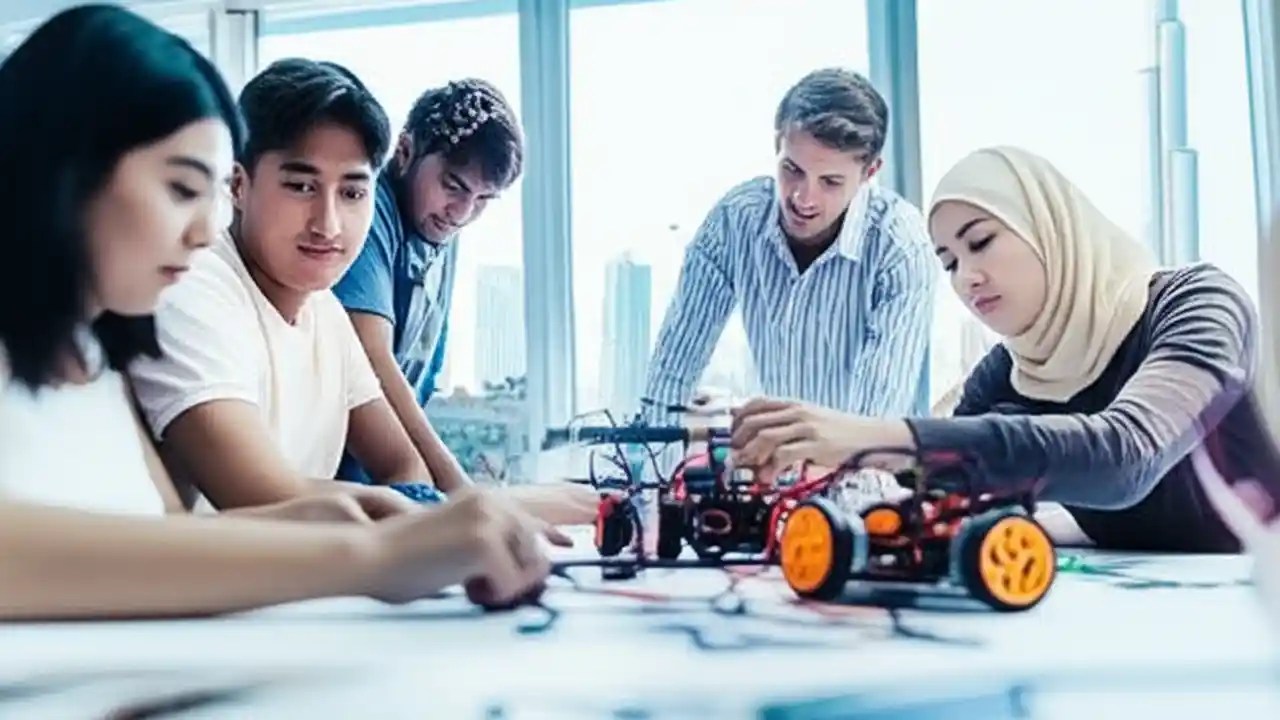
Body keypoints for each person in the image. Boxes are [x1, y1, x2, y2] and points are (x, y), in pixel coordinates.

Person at [0, 5, 553, 619]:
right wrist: (367, 552)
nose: (208, 228)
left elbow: (169, 531)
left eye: (211, 193)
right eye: (183, 189)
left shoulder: (92, 358)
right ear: (65, 168)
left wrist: (340, 516)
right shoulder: (190, 297)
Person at [730, 145, 1263, 553]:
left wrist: (866, 437)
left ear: (1048, 225)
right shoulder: (1007, 374)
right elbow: (938, 490)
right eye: (950, 262)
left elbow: (1125, 455)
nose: (968, 278)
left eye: (980, 242)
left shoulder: (1200, 306)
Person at [127, 59, 594, 523]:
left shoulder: (327, 313)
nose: (327, 224)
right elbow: (259, 494)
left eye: (352, 193)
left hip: (315, 582)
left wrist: (435, 512)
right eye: (301, 186)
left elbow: (404, 468)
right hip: (215, 586)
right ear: (237, 185)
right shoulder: (192, 284)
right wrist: (468, 510)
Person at [640, 68, 935, 423]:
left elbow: (875, 420)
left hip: (877, 468)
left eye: (830, 181)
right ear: (777, 143)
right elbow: (671, 376)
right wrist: (648, 467)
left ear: (869, 173)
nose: (803, 198)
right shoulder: (735, 221)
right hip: (774, 463)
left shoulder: (900, 246)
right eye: (792, 169)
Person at [333, 78, 523, 492]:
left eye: (484, 199)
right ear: (404, 152)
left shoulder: (441, 227)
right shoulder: (369, 214)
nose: (462, 213)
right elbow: (371, 359)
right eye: (453, 186)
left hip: (389, 483)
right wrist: (458, 492)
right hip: (341, 479)